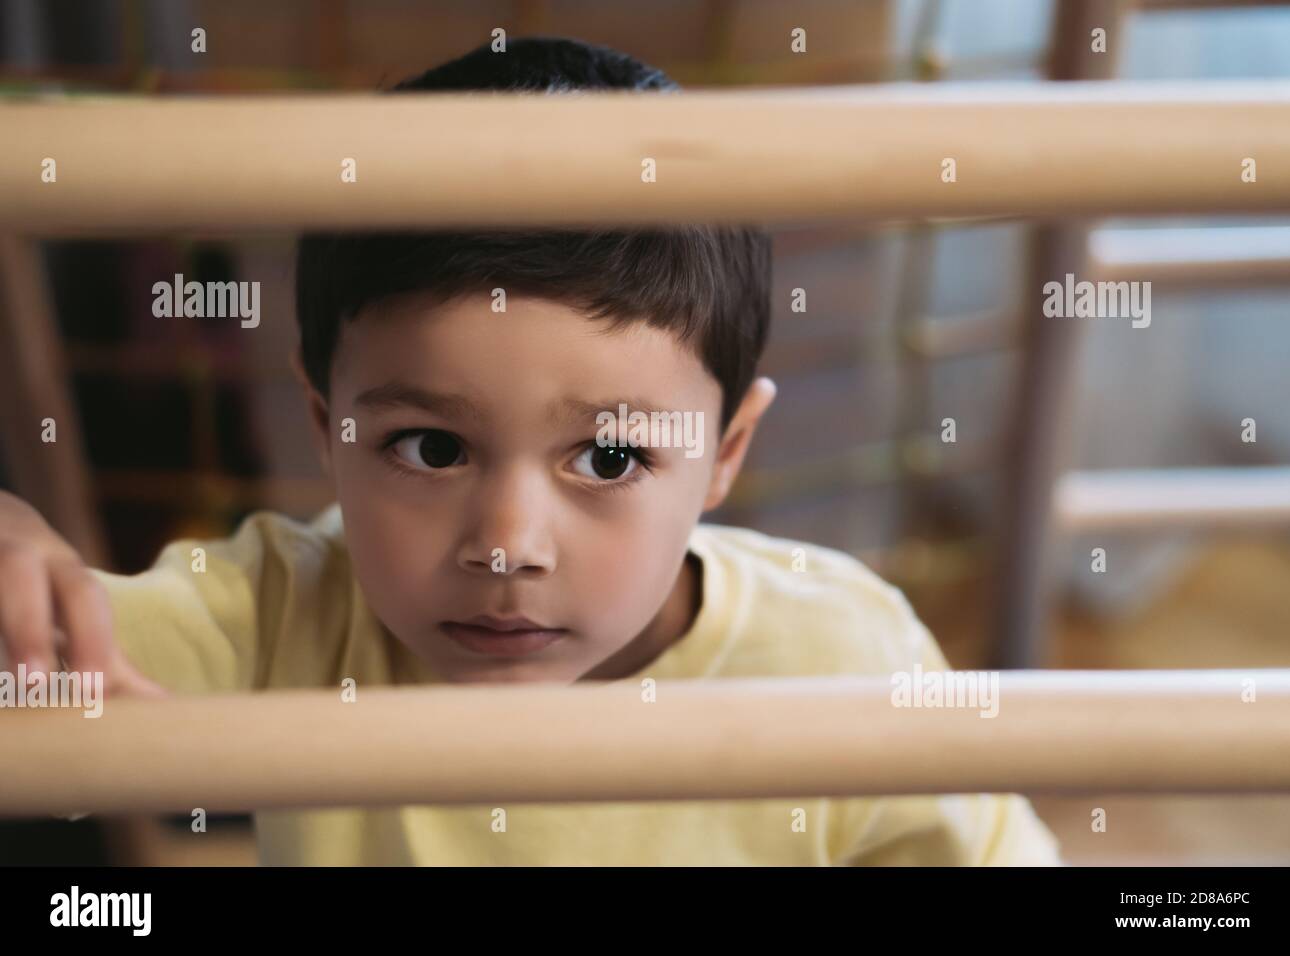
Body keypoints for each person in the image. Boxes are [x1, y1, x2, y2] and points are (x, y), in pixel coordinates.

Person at [0, 36, 1062, 866]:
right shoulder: (283, 616)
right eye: (429, 445)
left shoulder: (845, 665)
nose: (506, 547)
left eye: (605, 460)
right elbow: (43, 669)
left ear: (727, 448)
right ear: (328, 427)